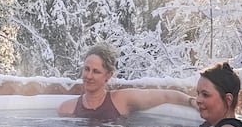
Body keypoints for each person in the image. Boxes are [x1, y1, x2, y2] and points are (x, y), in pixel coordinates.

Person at [58, 43, 198, 120]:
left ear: (108, 75)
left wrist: (192, 101)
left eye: (96, 71)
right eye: (86, 69)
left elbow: (166, 96)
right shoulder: (67, 108)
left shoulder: (121, 100)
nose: (88, 76)